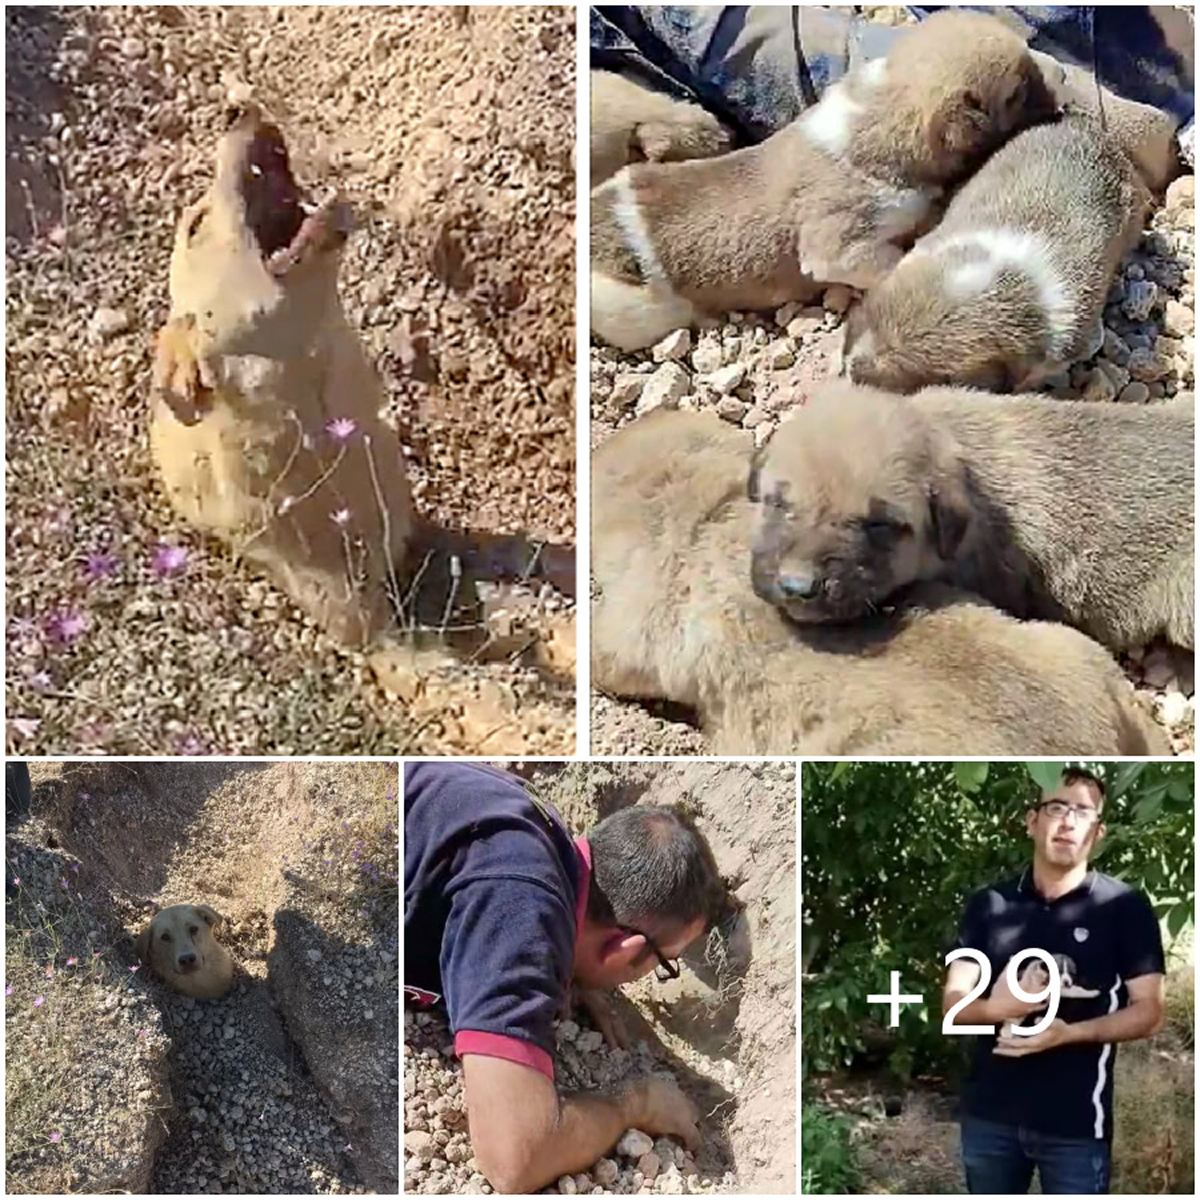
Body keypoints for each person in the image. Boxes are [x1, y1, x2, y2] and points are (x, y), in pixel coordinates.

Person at [404, 761, 726, 1193]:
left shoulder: (538, 830)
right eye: (664, 964)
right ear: (624, 949)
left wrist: (572, 969)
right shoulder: (524, 905)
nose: (650, 975)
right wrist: (637, 1102)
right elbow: (516, 1159)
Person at [942, 767, 1166, 1195]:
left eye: (1083, 812)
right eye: (1057, 807)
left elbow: (1149, 1012)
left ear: (1098, 832)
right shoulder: (989, 904)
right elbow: (954, 1005)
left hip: (1077, 1124)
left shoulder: (1125, 907)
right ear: (1032, 821)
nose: (1068, 821)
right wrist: (998, 1009)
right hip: (991, 1118)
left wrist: (1067, 1034)